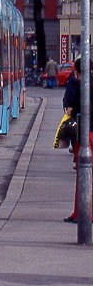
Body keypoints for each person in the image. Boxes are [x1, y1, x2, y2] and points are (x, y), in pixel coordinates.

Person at [63, 59, 92, 223]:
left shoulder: (81, 85)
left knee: (84, 173)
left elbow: (72, 107)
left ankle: (83, 213)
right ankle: (80, 212)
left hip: (85, 133)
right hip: (87, 133)